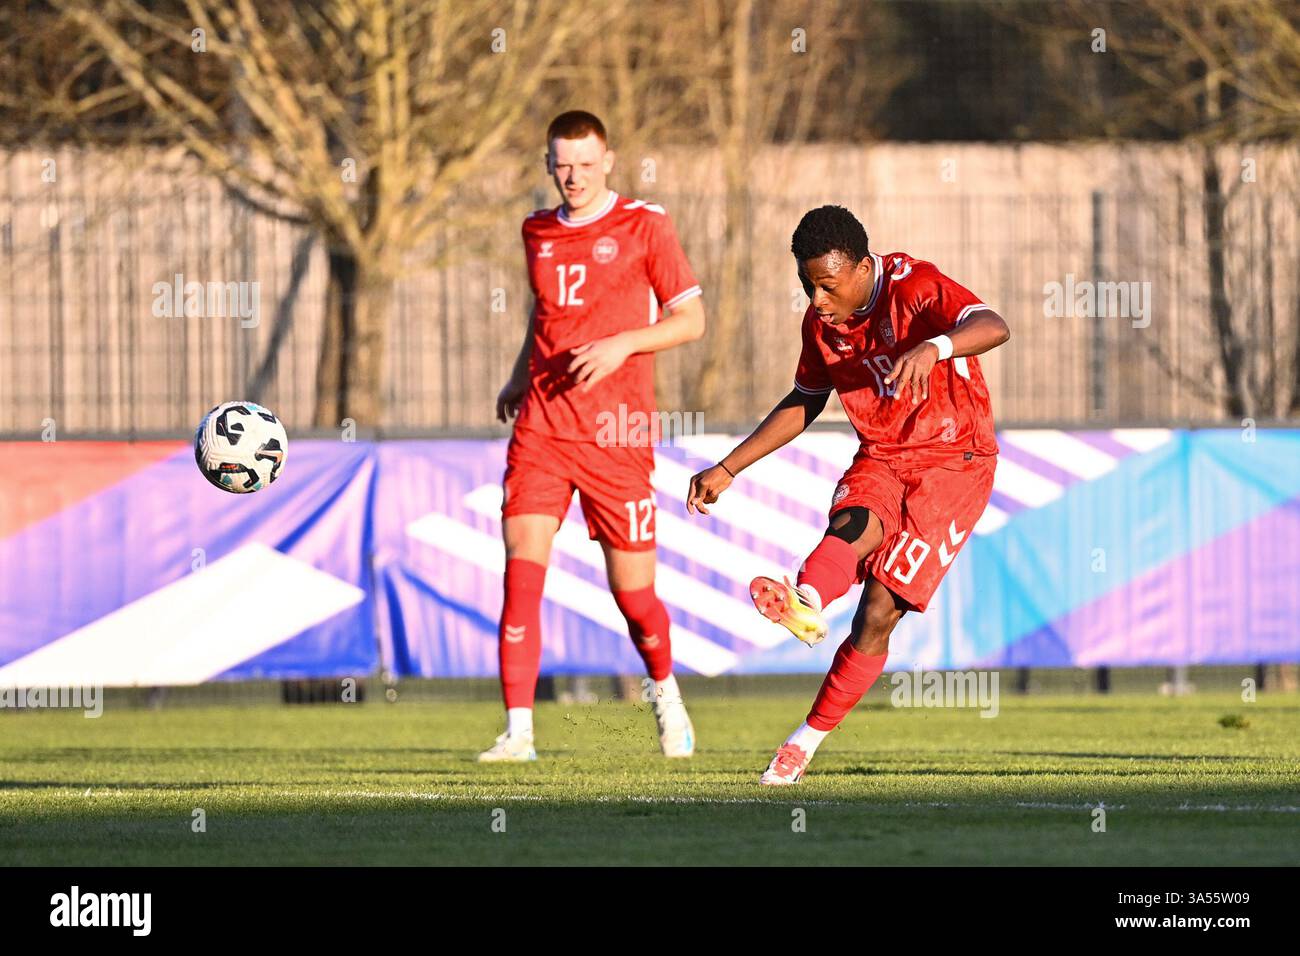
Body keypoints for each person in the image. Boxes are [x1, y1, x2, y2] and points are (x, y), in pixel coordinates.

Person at [687, 205, 1009, 784]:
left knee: (877, 614)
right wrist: (730, 467)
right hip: (884, 454)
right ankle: (807, 599)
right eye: (808, 285)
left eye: (828, 285)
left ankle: (803, 741)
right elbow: (806, 398)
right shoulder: (822, 324)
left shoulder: (916, 286)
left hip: (955, 463)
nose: (816, 298)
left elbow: (994, 325)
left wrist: (936, 347)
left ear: (864, 267)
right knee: (853, 522)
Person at [481, 111, 706, 762]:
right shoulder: (538, 232)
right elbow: (545, 311)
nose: (572, 176)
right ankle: (518, 732)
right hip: (544, 427)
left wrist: (623, 345)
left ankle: (665, 694)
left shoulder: (645, 224)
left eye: (584, 163)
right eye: (561, 164)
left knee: (634, 598)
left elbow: (690, 319)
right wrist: (520, 375)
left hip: (618, 431)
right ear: (548, 165)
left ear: (607, 160)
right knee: (521, 576)